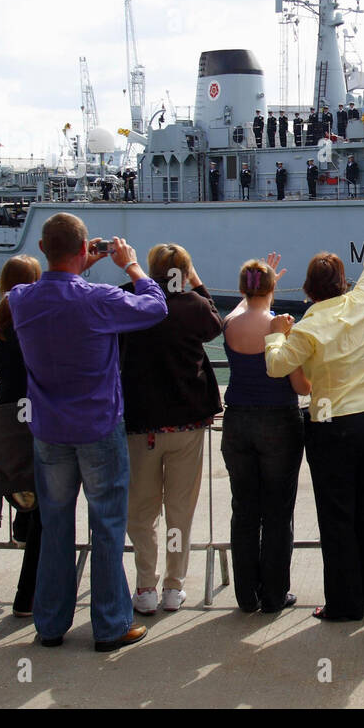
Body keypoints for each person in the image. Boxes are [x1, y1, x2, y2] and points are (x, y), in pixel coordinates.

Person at [9, 212, 168, 650]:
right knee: (107, 526)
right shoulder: (98, 300)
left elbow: (43, 287)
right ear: (84, 251)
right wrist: (132, 265)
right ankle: (110, 624)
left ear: (42, 250)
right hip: (98, 427)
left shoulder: (21, 299)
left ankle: (51, 624)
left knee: (56, 525)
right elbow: (155, 307)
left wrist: (76, 265)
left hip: (49, 430)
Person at [265, 206, 364, 620]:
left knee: (337, 516)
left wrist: (276, 336)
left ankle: (345, 604)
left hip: (331, 427)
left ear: (308, 291)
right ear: (343, 283)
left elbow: (277, 366)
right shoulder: (362, 302)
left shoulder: (307, 328)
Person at [120, 243, 223, 615]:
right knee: (179, 509)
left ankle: (144, 585)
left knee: (141, 511)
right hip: (187, 422)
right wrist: (197, 285)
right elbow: (216, 325)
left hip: (139, 424)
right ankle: (173, 586)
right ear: (185, 269)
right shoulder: (193, 306)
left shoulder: (129, 300)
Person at [222, 256, 311, 613]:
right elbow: (299, 385)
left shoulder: (229, 323)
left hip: (237, 422)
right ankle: (274, 594)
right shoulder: (281, 330)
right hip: (278, 421)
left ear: (243, 289)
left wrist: (260, 285)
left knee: (244, 509)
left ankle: (246, 595)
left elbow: (246, 305)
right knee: (277, 511)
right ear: (273, 288)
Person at [0, 255, 44, 619]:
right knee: (47, 503)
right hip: (40, 414)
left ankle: (21, 517)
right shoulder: (39, 322)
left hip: (5, 415)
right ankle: (27, 596)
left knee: (20, 481)